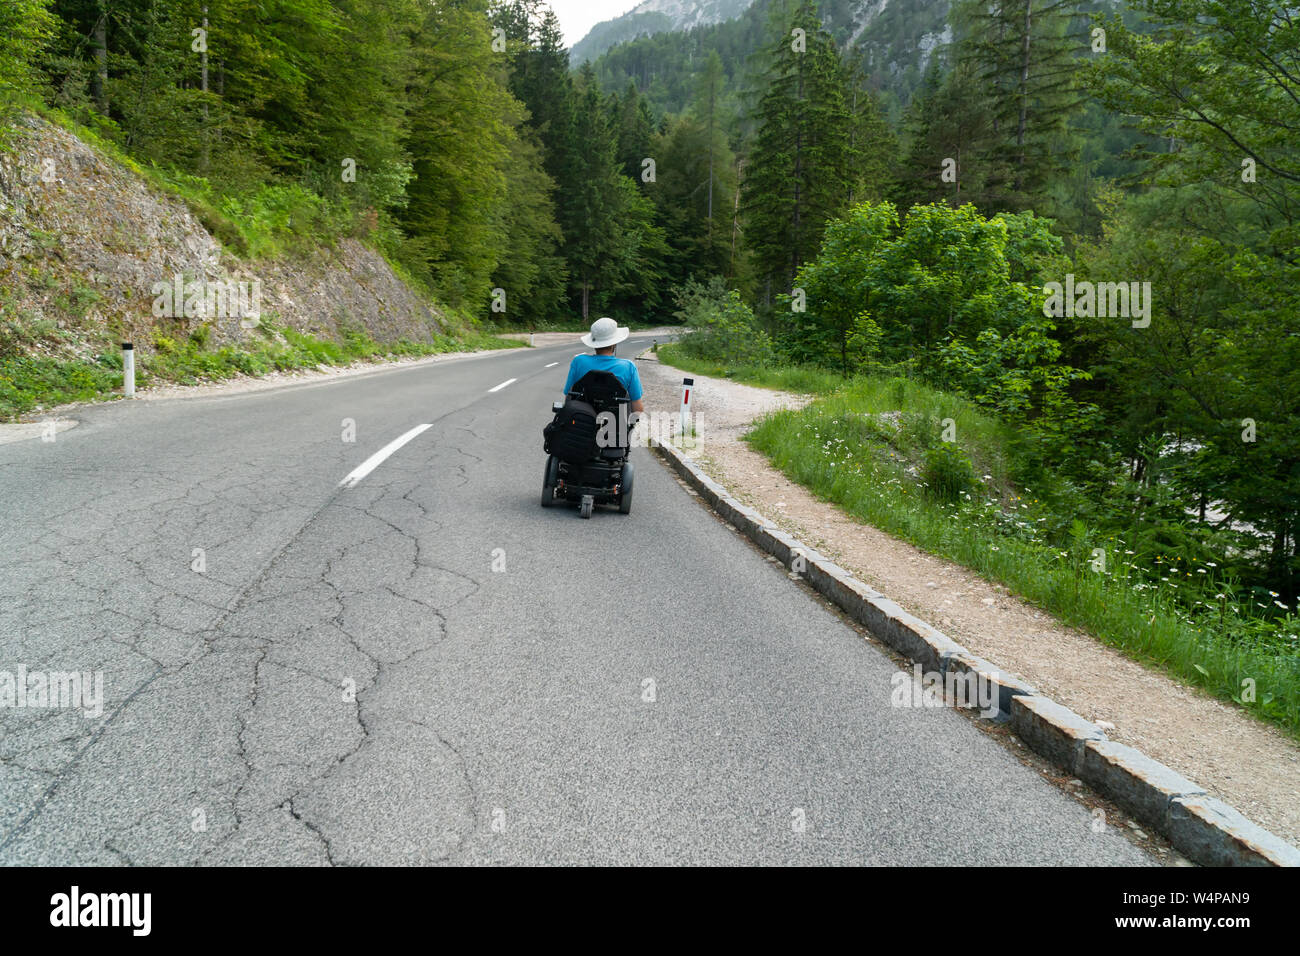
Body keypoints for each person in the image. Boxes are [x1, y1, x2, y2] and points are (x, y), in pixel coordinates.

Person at [563, 316, 645, 414]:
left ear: (594, 342)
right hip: (615, 424)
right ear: (614, 344)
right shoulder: (628, 367)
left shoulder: (579, 361)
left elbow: (569, 397)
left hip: (582, 422)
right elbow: (638, 409)